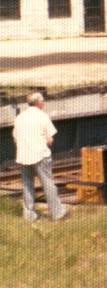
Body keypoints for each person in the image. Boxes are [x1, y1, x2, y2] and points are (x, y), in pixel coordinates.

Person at [12, 92, 66, 221]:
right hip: (40, 155)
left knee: (27, 185)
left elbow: (15, 138)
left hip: (23, 156)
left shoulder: (20, 117)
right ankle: (57, 213)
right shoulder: (43, 116)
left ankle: (29, 215)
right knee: (48, 184)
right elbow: (49, 140)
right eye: (43, 101)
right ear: (39, 103)